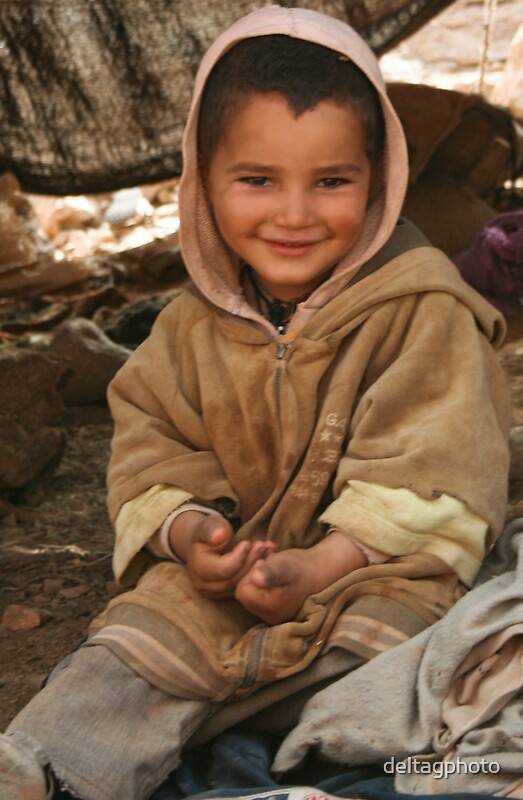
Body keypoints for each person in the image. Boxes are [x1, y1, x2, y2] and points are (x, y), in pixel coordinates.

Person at [0, 6, 511, 800]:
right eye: (257, 180)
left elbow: (435, 469)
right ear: (202, 181)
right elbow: (151, 449)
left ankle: (300, 746)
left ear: (379, 179)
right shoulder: (184, 330)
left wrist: (322, 565)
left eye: (332, 181)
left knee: (414, 671)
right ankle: (46, 771)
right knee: (127, 653)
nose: (295, 214)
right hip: (216, 591)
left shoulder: (424, 311)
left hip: (374, 580)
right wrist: (188, 533)